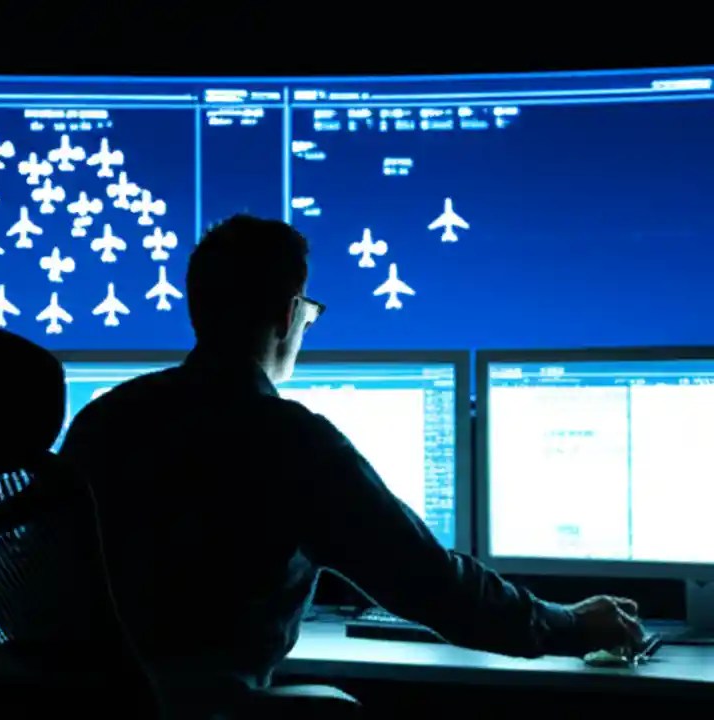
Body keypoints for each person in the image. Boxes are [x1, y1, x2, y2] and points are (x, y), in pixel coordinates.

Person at [59, 215, 645, 696]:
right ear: (289, 314)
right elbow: (430, 583)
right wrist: (569, 624)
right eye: (308, 315)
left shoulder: (102, 421)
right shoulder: (289, 441)